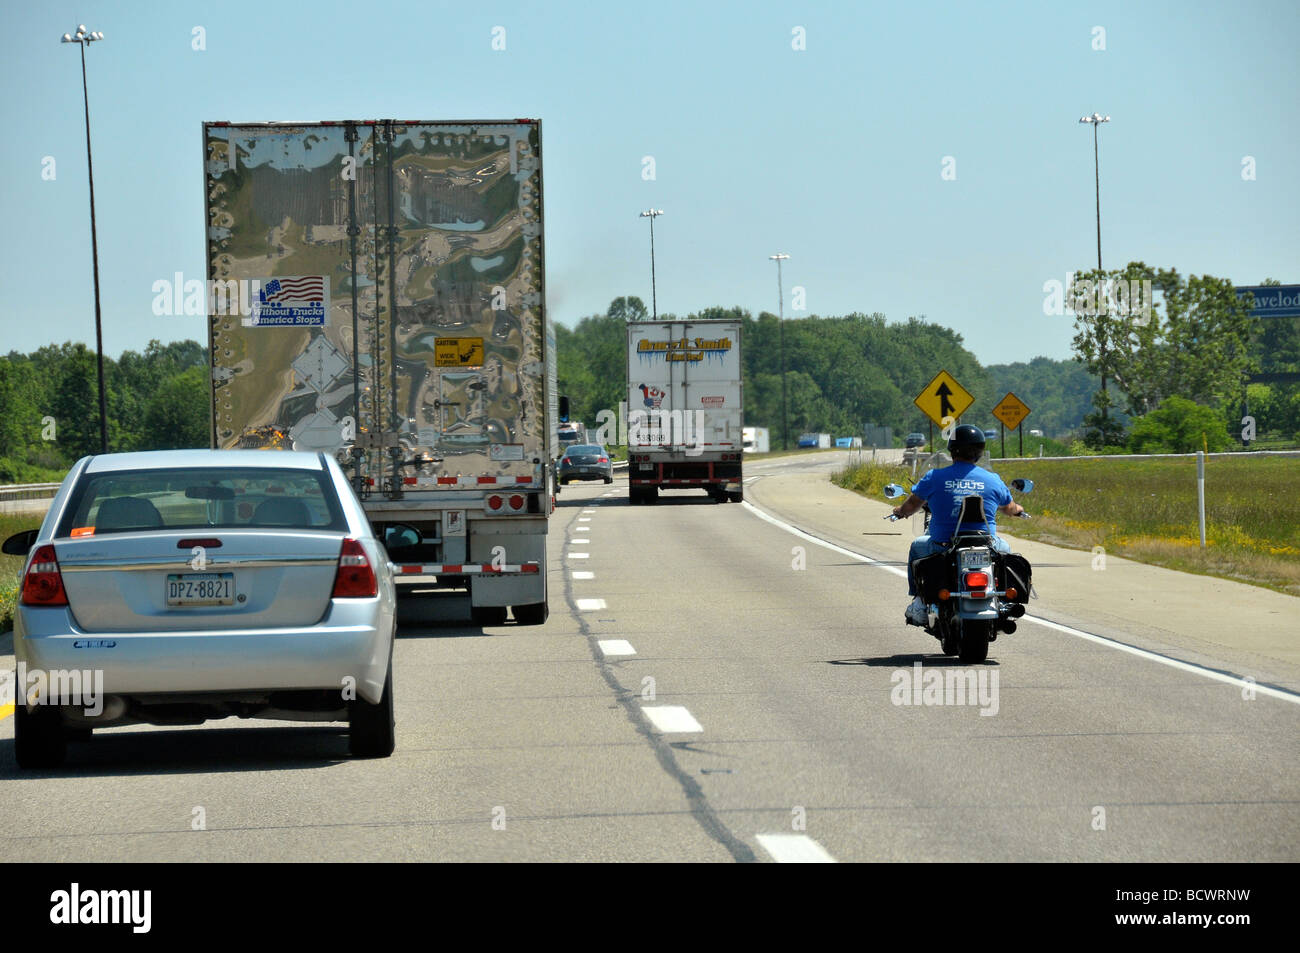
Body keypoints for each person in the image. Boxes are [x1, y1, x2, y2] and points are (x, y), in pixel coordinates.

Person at [890, 424, 1025, 626]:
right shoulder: (993, 480)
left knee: (917, 547)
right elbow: (1009, 508)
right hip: (987, 543)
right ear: (979, 451)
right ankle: (1003, 601)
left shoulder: (934, 477)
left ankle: (919, 602)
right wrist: (1019, 510)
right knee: (1005, 551)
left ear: (952, 450)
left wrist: (900, 512)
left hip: (944, 545)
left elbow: (911, 506)